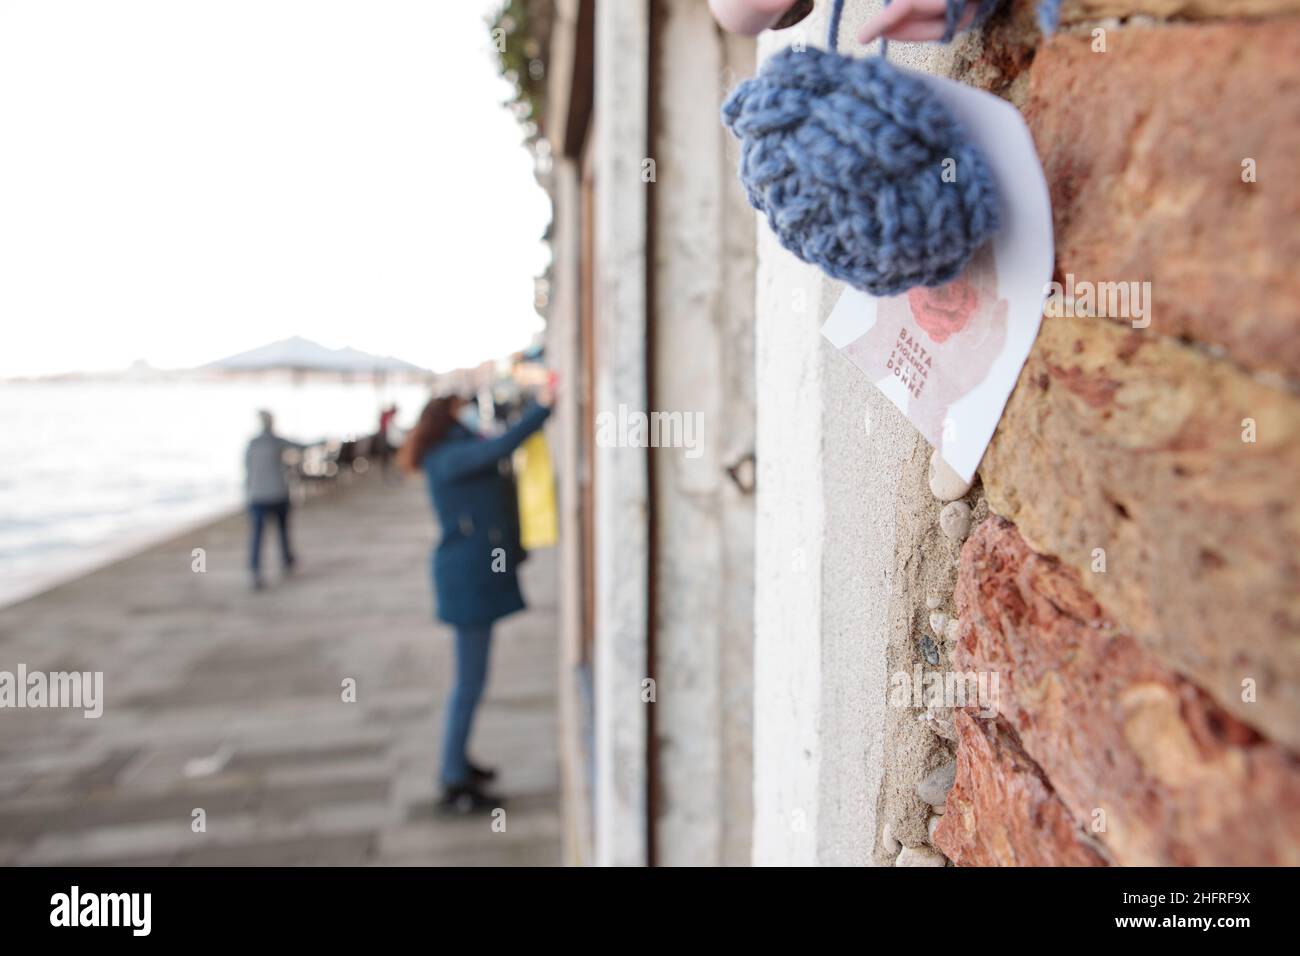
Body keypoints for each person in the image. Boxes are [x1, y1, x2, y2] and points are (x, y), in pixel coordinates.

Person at [398, 386, 553, 814]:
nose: (470, 416)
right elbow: (502, 446)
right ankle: (452, 777)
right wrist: (543, 409)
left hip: (470, 573)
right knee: (468, 684)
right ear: (447, 416)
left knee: (471, 682)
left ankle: (458, 761)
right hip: (466, 578)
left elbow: (495, 448)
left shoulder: (456, 449)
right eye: (462, 410)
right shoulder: (448, 458)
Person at [244, 409, 307, 591]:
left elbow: (247, 473)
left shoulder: (252, 444)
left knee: (258, 535)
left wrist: (247, 495)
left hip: (258, 496)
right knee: (281, 531)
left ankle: (256, 570)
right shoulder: (276, 441)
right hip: (276, 495)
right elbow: (301, 447)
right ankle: (286, 562)